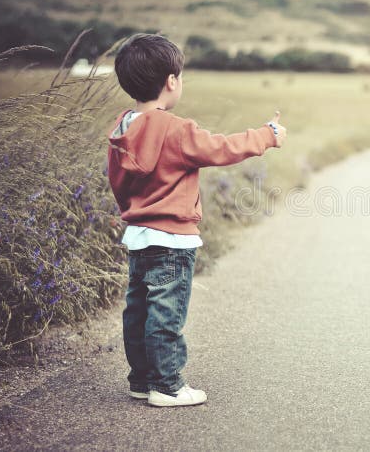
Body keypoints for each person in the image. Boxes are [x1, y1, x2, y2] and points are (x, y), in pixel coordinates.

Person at [106, 33, 286, 407]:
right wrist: (266, 135)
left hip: (139, 237)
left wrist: (137, 214)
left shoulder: (123, 130)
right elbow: (221, 148)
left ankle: (141, 379)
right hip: (172, 241)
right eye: (181, 76)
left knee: (138, 312)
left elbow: (119, 186)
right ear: (171, 82)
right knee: (166, 315)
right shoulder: (174, 129)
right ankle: (168, 386)